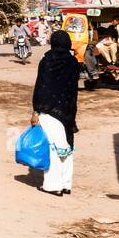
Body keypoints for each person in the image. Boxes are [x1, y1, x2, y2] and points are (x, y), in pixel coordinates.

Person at [32, 30, 79, 196]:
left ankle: (53, 185)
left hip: (48, 109)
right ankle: (66, 184)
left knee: (52, 148)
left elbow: (41, 86)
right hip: (67, 110)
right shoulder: (73, 63)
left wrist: (36, 111)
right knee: (66, 147)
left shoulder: (46, 62)